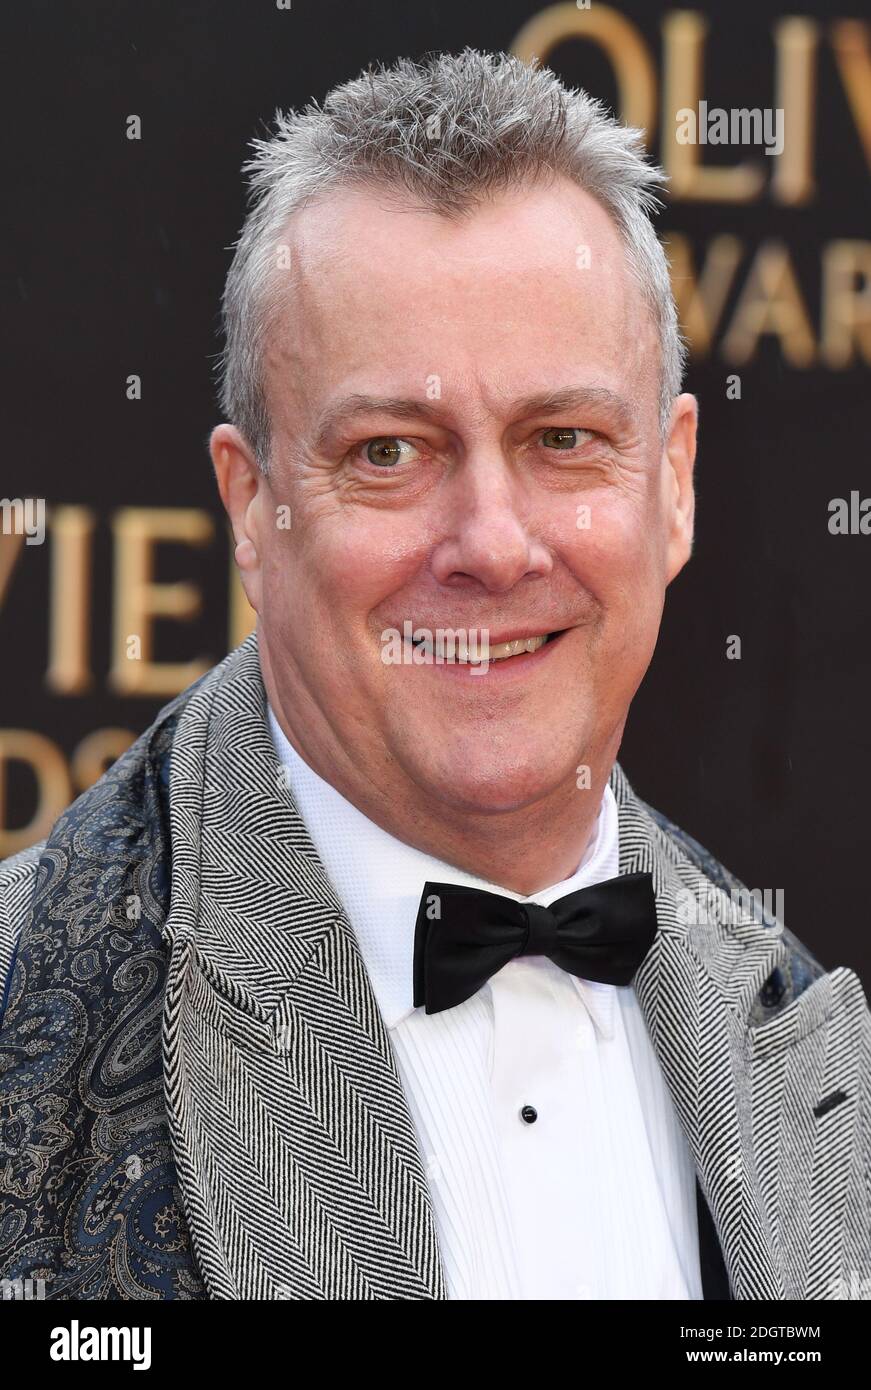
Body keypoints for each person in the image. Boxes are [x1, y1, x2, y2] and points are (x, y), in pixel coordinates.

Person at [1, 48, 868, 1302]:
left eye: (562, 439)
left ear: (672, 484)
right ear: (251, 509)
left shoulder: (814, 1054)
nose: (492, 545)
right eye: (391, 451)